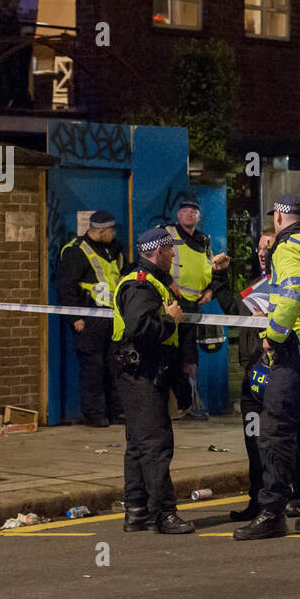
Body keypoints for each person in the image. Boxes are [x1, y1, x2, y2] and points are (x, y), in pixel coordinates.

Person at [234, 194, 300, 540]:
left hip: (296, 348)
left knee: (275, 430)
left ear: (280, 217)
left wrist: (273, 336)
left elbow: (293, 294)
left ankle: (271, 512)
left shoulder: (289, 246)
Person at [111, 228, 194, 534]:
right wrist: (170, 319)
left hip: (140, 373)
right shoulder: (141, 285)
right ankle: (164, 514)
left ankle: (136, 511)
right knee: (157, 445)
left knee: (138, 444)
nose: (174, 256)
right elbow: (140, 329)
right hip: (141, 373)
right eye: (171, 250)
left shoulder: (150, 282)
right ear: (158, 251)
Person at [210, 228, 275, 523]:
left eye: (269, 247)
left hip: (278, 376)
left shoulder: (292, 289)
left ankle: (291, 499)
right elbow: (229, 306)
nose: (262, 252)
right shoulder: (256, 288)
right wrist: (220, 275)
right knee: (254, 441)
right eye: (260, 248)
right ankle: (257, 501)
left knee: (279, 442)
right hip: (253, 378)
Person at [58, 211, 125, 427]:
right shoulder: (75, 251)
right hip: (89, 317)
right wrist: (75, 317)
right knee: (93, 368)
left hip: (113, 316)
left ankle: (117, 412)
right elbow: (66, 287)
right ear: (101, 230)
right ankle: (95, 414)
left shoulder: (114, 249)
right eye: (111, 230)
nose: (114, 233)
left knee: (115, 366)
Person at [167, 196, 213, 421]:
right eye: (184, 210)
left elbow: (209, 267)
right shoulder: (168, 234)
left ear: (198, 216)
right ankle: (180, 404)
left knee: (190, 357)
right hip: (172, 304)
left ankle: (190, 403)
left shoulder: (204, 239)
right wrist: (168, 282)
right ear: (178, 214)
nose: (188, 214)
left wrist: (210, 289)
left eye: (193, 211)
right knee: (174, 356)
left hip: (194, 306)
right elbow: (153, 259)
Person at [6, 0, 37, 109]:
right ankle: (18, 95)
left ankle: (22, 98)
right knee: (16, 66)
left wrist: (19, 17)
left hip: (25, 33)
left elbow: (31, 15)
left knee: (23, 66)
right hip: (17, 32)